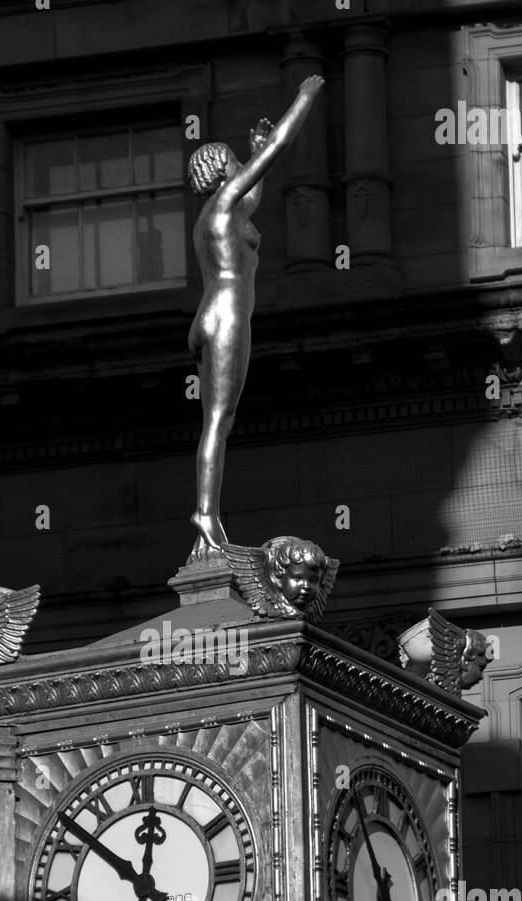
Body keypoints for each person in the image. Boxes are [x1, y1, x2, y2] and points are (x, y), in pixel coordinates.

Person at [187, 74, 326, 558]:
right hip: (226, 315)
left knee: (215, 421)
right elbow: (282, 146)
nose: (241, 164)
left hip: (210, 316)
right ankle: (206, 517)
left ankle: (208, 514)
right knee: (219, 423)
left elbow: (251, 198)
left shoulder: (214, 214)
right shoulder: (224, 205)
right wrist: (306, 95)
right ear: (220, 168)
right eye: (233, 159)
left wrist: (255, 152)